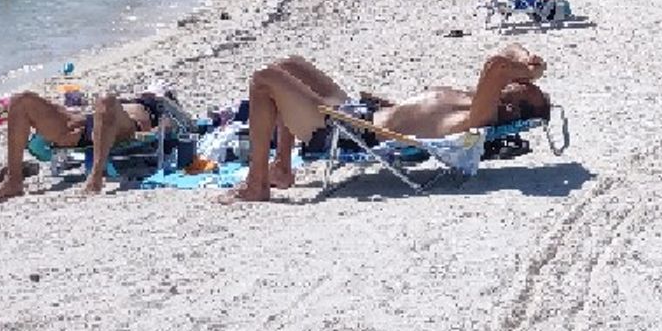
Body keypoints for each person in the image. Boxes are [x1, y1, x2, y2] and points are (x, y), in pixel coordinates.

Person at [223, 45, 550, 204]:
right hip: (355, 111)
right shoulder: (474, 99)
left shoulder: (479, 117)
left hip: (345, 130)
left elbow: (496, 66)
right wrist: (528, 57)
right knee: (287, 64)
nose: (524, 82)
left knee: (264, 79)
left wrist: (532, 71)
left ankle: (258, 184)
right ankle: (281, 167)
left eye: (527, 88)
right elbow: (507, 56)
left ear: (511, 103)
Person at [0, 87, 192, 203]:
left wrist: (158, 122)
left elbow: (180, 125)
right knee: (21, 100)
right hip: (90, 124)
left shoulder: (158, 107)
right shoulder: (126, 101)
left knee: (106, 100)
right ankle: (14, 180)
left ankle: (96, 176)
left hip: (124, 128)